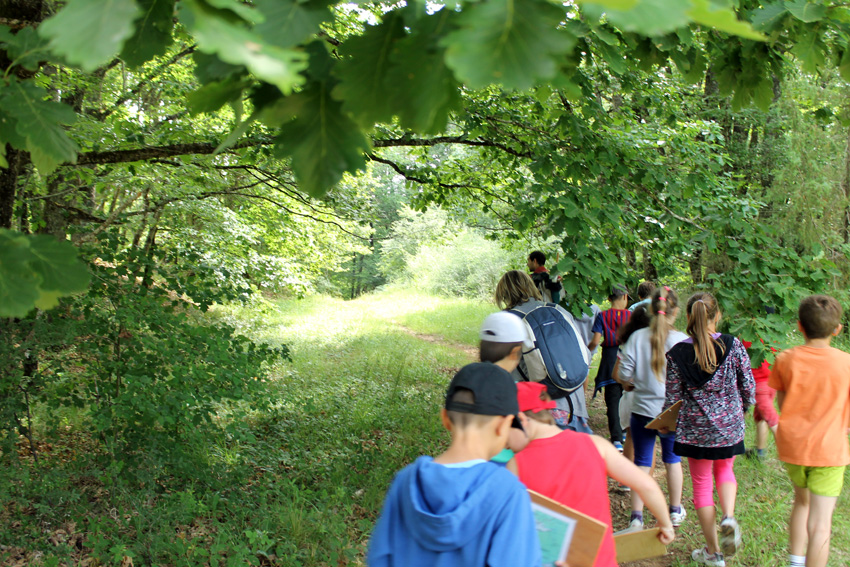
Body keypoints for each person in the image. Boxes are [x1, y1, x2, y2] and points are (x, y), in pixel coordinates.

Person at [366, 362, 541, 567]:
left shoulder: (405, 481)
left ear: (445, 419)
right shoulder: (508, 493)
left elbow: (378, 558)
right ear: (503, 425)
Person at [506, 381, 675, 567]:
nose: (504, 441)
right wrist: (664, 523)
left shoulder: (514, 465)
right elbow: (646, 484)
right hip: (601, 560)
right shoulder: (596, 444)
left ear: (521, 419)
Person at [663, 292, 755, 567]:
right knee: (725, 471)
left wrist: (667, 425)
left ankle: (714, 554)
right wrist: (744, 408)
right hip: (729, 426)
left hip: (695, 430)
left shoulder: (677, 354)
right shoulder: (733, 345)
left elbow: (672, 399)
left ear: (689, 318)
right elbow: (749, 386)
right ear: (718, 316)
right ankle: (728, 517)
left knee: (702, 486)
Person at [769, 295, 850, 567]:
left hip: (793, 446)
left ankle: (795, 562)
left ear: (800, 326)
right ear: (837, 330)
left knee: (801, 502)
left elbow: (782, 403)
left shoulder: (785, 359)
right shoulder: (846, 363)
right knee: (821, 526)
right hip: (829, 451)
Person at [614, 287, 688, 531]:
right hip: (671, 410)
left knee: (642, 462)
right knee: (672, 460)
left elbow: (624, 373)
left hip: (642, 409)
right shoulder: (682, 341)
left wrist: (631, 382)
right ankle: (675, 510)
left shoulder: (637, 338)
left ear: (650, 309)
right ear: (675, 311)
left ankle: (637, 516)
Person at [495, 270, 592, 433]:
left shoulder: (506, 322)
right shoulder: (558, 310)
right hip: (575, 407)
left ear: (503, 294)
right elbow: (584, 357)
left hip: (538, 412)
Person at [479, 311, 532, 465]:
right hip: (507, 465)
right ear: (515, 352)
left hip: (475, 460)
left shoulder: (470, 384)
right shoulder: (516, 390)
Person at [588, 284, 631, 449]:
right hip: (627, 358)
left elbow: (595, 341)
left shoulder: (602, 316)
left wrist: (587, 350)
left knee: (612, 400)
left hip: (609, 359)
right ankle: (626, 432)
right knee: (626, 396)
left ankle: (616, 439)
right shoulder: (632, 316)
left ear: (609, 299)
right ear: (625, 297)